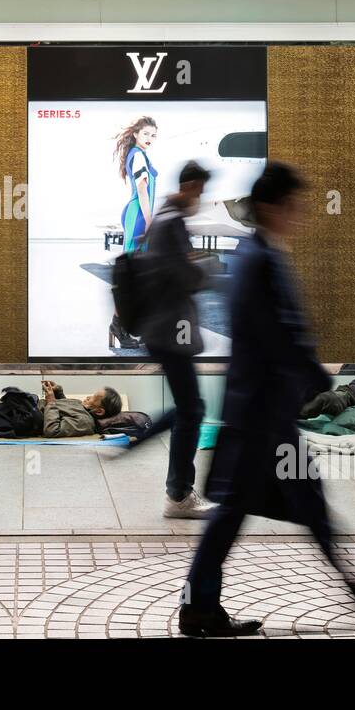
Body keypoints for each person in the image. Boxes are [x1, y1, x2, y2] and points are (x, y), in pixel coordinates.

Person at [181, 163, 355, 637]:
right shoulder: (264, 260)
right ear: (272, 207)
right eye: (295, 207)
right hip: (262, 412)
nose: (300, 216)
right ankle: (198, 606)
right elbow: (280, 332)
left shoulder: (250, 254)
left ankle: (352, 584)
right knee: (246, 507)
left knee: (294, 500)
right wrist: (315, 373)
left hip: (260, 409)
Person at [139, 159, 219, 518]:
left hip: (167, 331)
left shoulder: (165, 220)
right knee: (192, 409)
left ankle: (177, 490)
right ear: (188, 187)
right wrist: (207, 266)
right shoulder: (172, 224)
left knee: (189, 408)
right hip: (170, 332)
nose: (200, 199)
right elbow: (182, 276)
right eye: (199, 191)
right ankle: (178, 495)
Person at [109, 117, 158, 348]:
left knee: (139, 275)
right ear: (137, 134)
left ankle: (135, 326)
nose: (150, 139)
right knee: (133, 276)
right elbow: (141, 188)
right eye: (147, 134)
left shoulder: (140, 155)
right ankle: (118, 326)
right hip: (138, 216)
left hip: (136, 214)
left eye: (154, 135)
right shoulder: (138, 155)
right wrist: (149, 222)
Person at [39, 379, 123, 437]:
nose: (88, 397)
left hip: (31, 415)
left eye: (94, 397)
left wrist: (51, 402)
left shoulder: (85, 422)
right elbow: (67, 411)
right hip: (33, 404)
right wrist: (58, 392)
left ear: (99, 411)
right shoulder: (83, 407)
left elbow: (52, 430)